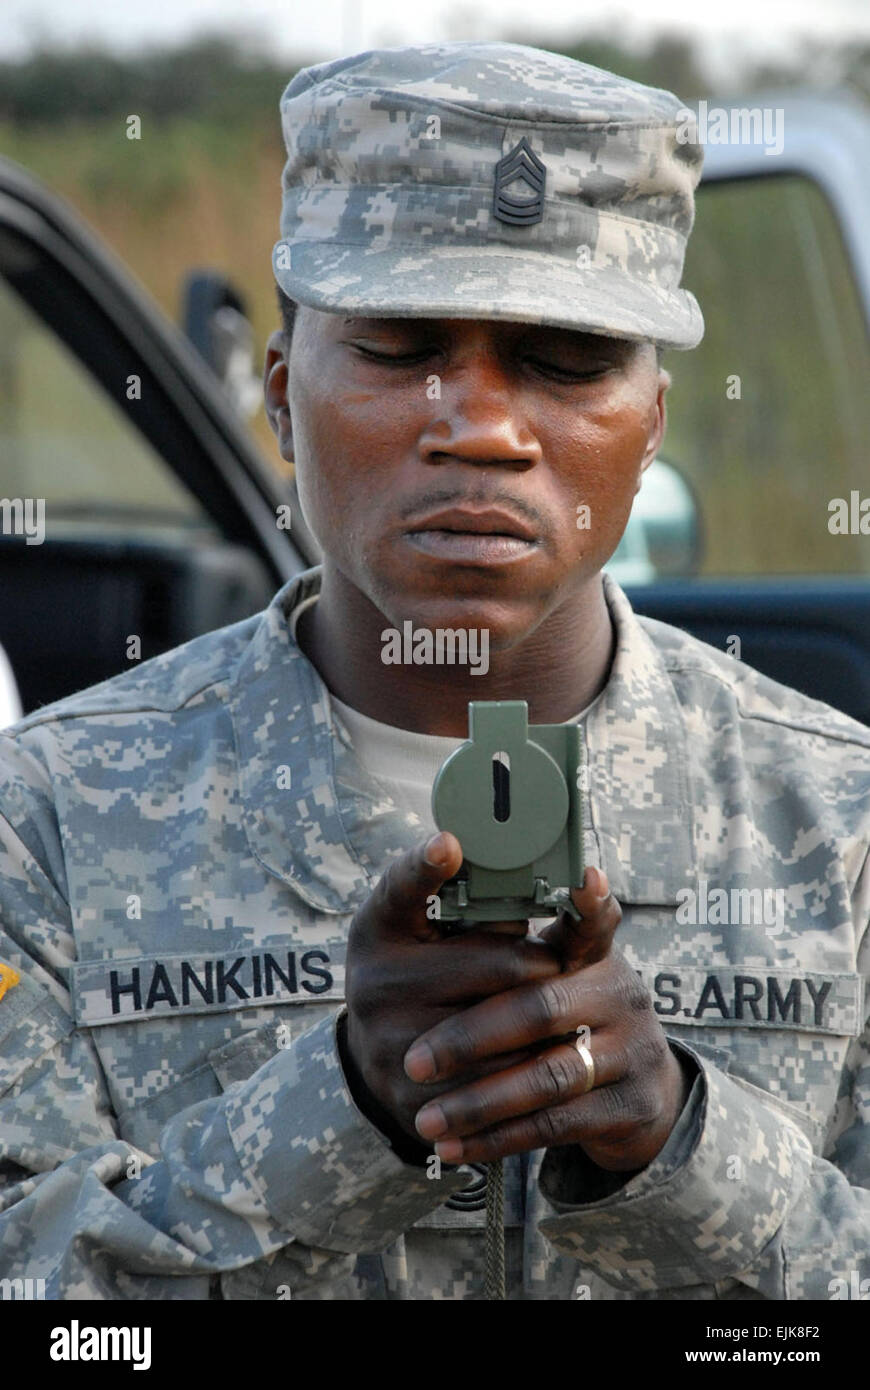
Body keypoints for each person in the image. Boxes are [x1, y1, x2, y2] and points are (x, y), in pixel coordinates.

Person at [0, 39, 868, 1302]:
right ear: (286, 398)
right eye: (405, 346)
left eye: (566, 358)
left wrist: (683, 1145)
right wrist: (342, 1109)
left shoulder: (841, 823)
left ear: (654, 423)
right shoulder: (47, 824)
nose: (484, 426)